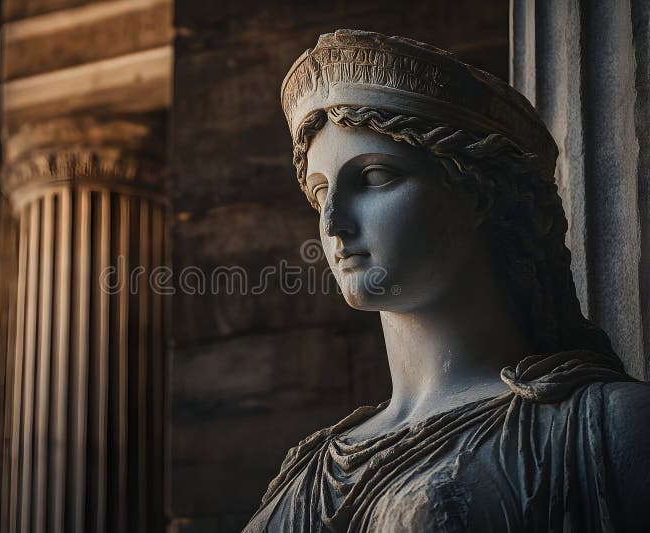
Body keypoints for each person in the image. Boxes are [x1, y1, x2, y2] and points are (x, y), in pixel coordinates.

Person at [243, 29, 650, 532]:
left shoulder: (608, 430)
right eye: (321, 190)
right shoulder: (303, 477)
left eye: (374, 177)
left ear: (478, 194)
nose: (332, 224)